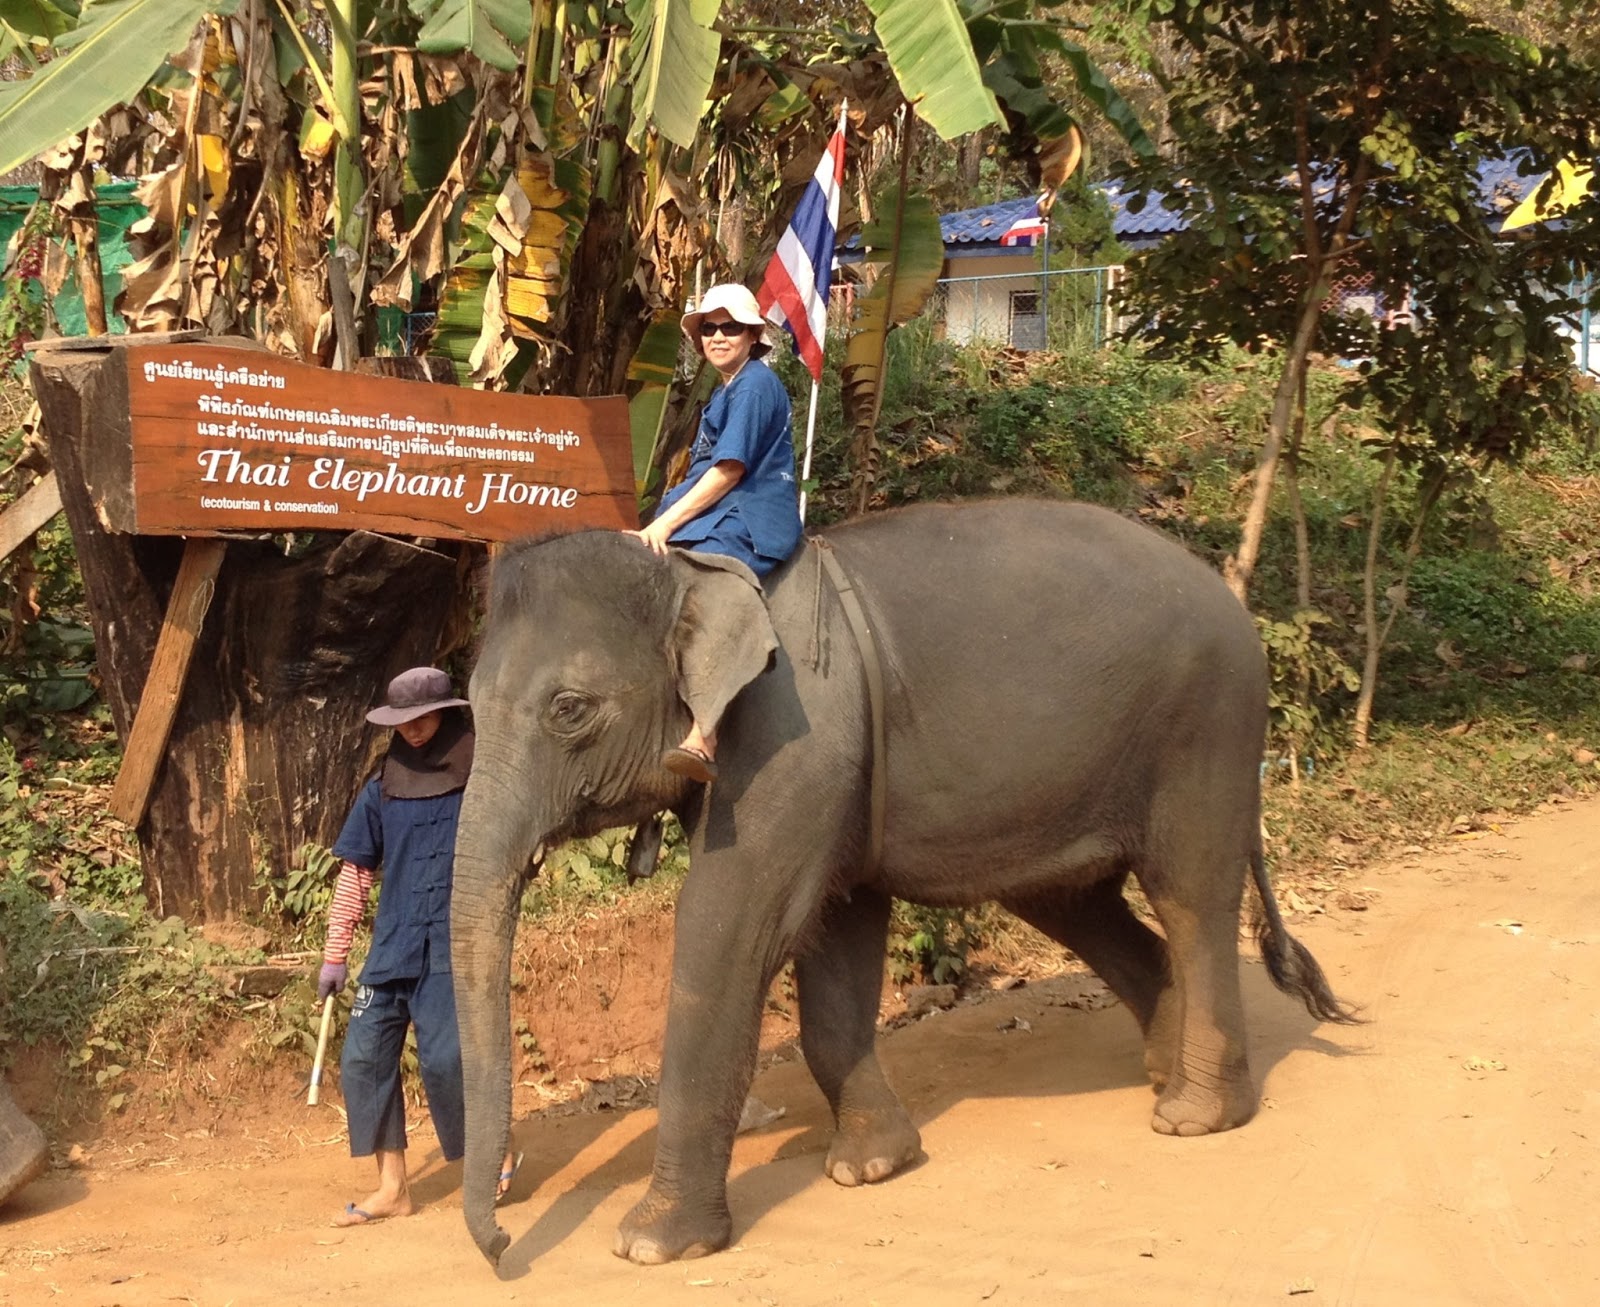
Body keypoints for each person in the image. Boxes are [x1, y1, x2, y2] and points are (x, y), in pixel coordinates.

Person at [318, 666, 517, 1226]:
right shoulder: (383, 784)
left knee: (448, 1060)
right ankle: (393, 1190)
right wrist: (335, 953)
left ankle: (492, 1153)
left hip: (456, 946)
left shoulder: (484, 777)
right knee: (362, 1059)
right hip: (393, 946)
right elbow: (356, 871)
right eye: (402, 720)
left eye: (423, 717)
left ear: (447, 713)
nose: (412, 729)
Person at [628, 281, 804, 783]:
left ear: (752, 336)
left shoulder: (754, 386)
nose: (719, 337)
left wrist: (664, 523)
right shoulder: (728, 388)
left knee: (706, 592)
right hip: (719, 511)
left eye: (731, 327)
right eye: (709, 328)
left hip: (748, 517)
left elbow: (728, 471)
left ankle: (705, 733)